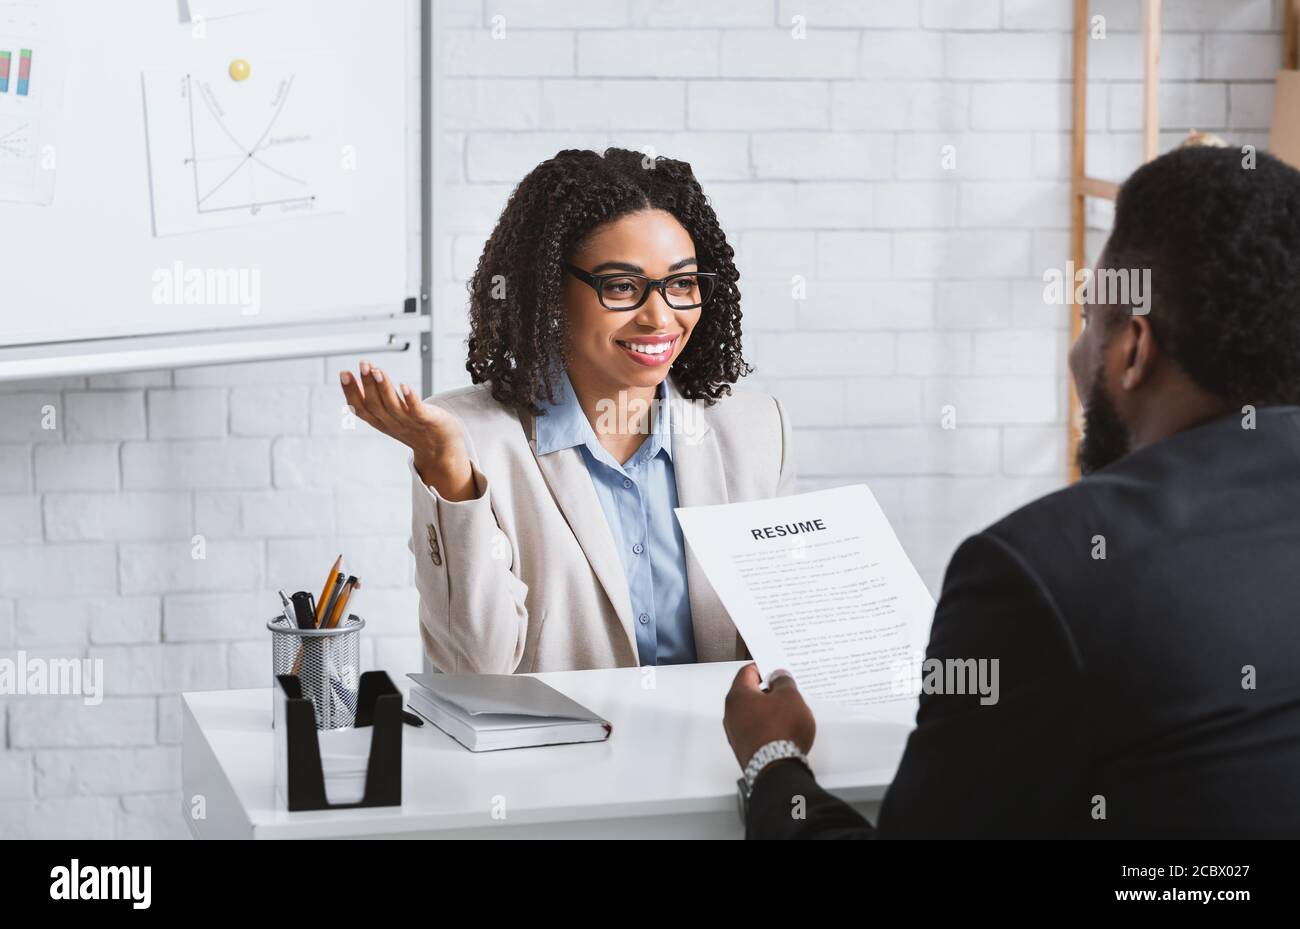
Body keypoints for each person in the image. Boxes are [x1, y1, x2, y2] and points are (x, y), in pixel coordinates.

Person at [722, 145, 1300, 839]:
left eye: (1089, 322)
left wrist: (772, 759)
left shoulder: (1036, 574)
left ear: (1134, 350)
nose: (1078, 353)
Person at [340, 148, 794, 673]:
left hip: (719, 728)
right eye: (621, 286)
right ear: (549, 291)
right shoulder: (471, 439)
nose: (659, 317)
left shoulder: (758, 430)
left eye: (681, 284)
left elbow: (784, 643)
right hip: (560, 732)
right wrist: (447, 469)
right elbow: (478, 668)